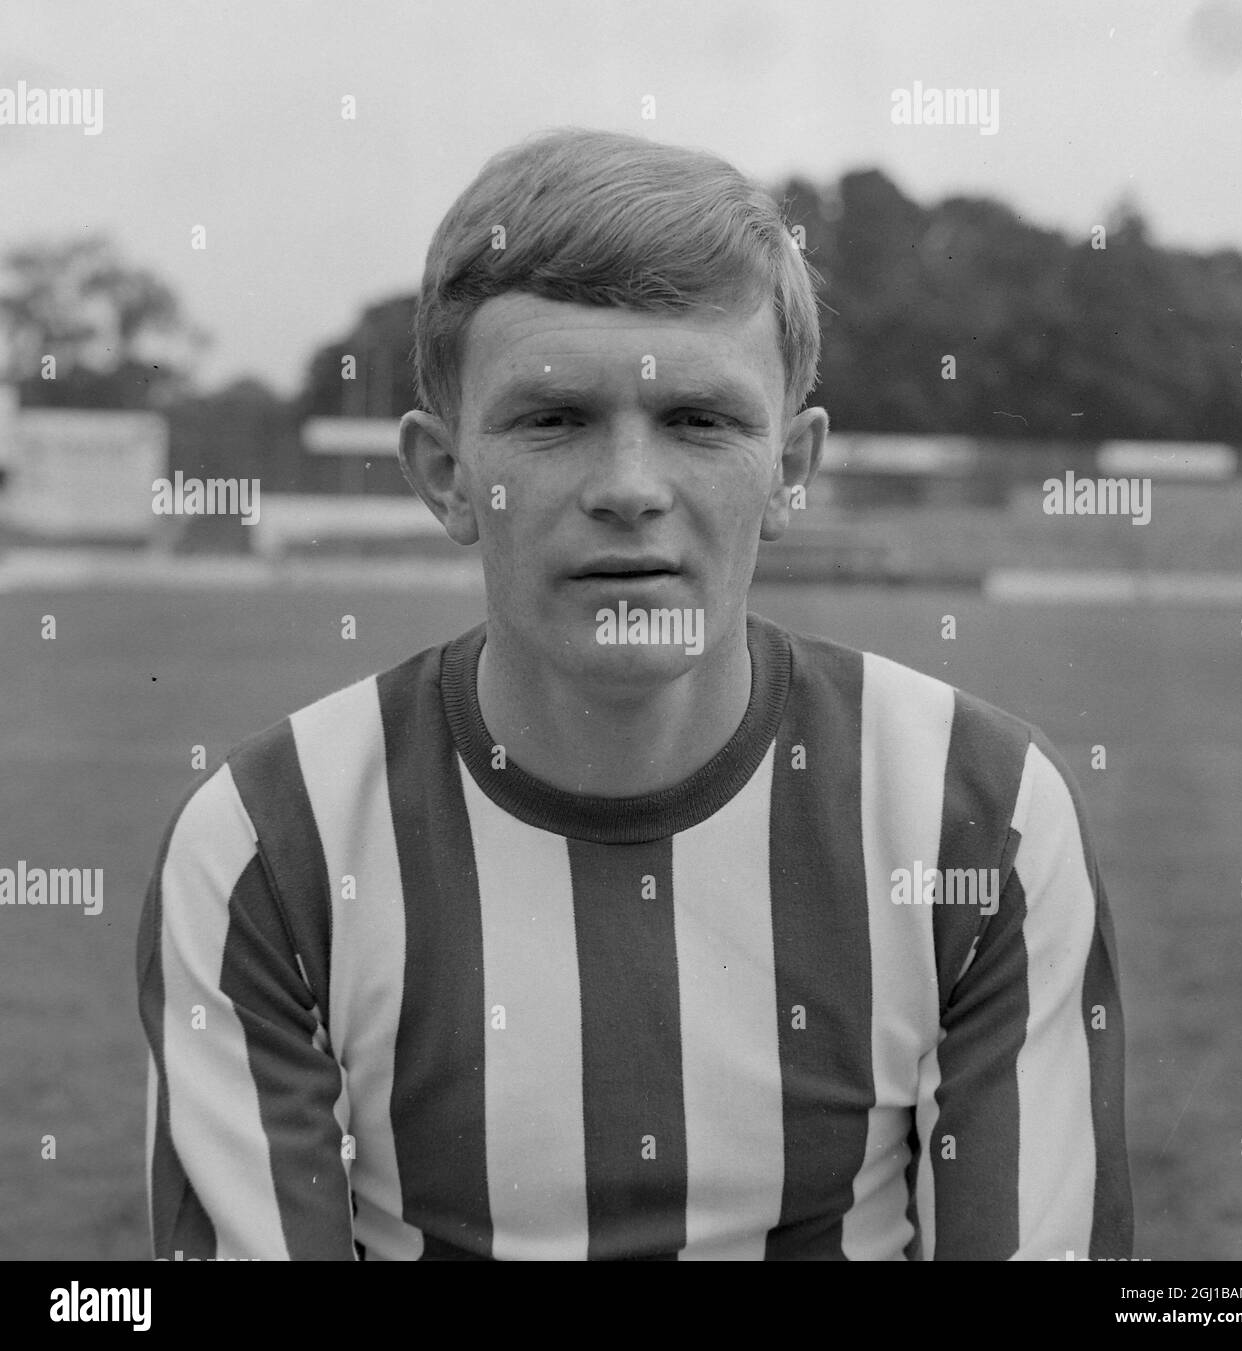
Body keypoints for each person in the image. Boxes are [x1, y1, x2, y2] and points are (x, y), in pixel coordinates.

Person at [137, 127, 1132, 1261]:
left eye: (698, 421)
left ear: (790, 471)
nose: (628, 488)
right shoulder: (269, 845)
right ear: (444, 475)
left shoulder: (982, 813)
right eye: (553, 419)